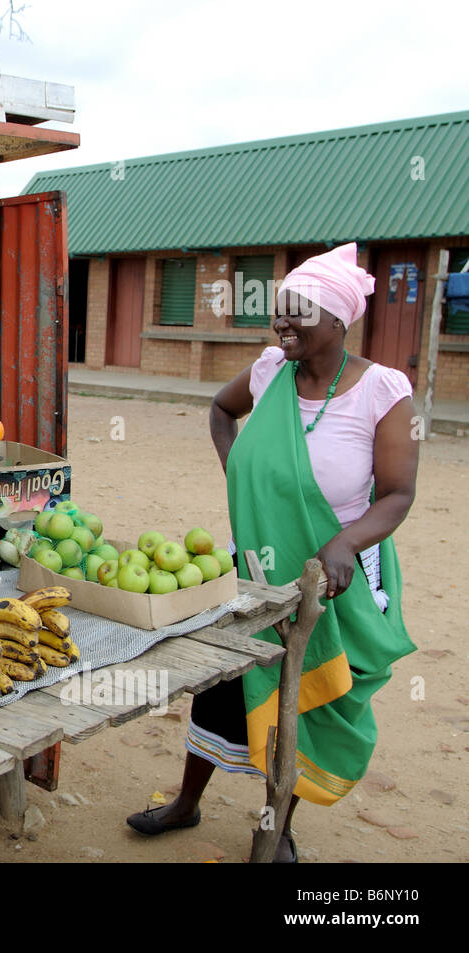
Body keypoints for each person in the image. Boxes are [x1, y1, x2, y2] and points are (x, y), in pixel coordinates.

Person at [126, 243, 419, 862]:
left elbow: (397, 494)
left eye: (299, 313)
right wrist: (238, 472)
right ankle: (186, 803)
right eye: (278, 311)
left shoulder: (380, 391)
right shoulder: (266, 372)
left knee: (298, 696)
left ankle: (276, 822)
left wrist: (344, 542)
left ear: (339, 321)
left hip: (329, 578)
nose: (283, 323)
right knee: (223, 683)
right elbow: (221, 410)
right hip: (255, 568)